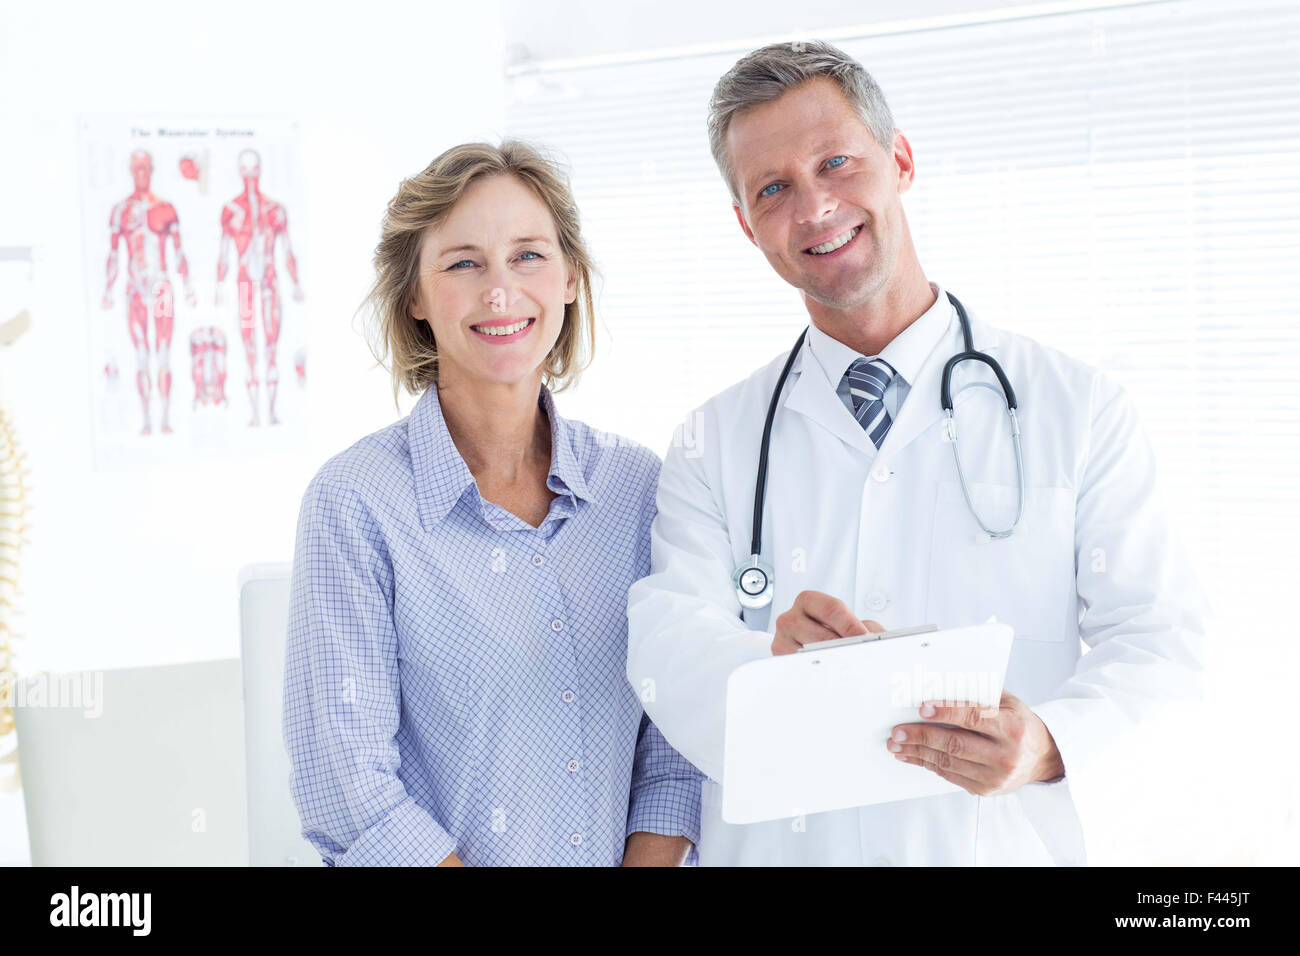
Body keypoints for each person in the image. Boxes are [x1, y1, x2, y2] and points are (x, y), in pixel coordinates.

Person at [626, 41, 1206, 866]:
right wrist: (767, 663)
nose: (816, 207)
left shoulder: (1077, 407)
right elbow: (667, 643)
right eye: (774, 189)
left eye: (836, 162)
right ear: (747, 224)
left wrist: (1049, 743)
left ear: (900, 160)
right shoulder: (711, 443)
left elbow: (1161, 639)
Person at [284, 141, 702, 866]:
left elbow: (675, 750)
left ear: (571, 278)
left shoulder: (637, 489)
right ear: (414, 294)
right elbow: (350, 790)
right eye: (463, 262)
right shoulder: (354, 504)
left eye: (529, 256)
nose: (500, 291)